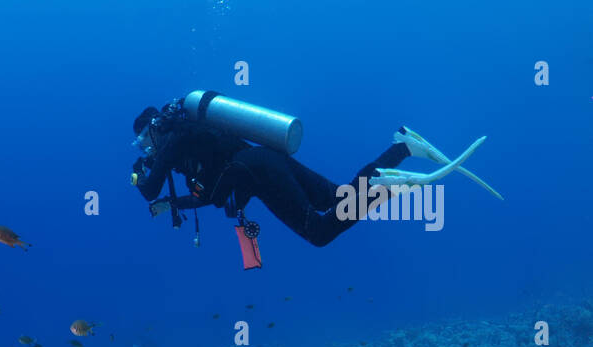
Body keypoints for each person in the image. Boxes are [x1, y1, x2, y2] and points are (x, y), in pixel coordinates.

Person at [131, 98, 501, 249]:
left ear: (152, 129)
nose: (146, 150)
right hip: (265, 159)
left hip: (257, 172)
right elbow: (210, 193)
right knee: (338, 197)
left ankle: (386, 188)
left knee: (321, 232)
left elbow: (155, 192)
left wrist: (143, 182)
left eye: (144, 142)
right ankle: (404, 147)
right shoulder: (193, 136)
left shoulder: (174, 140)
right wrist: (173, 202)